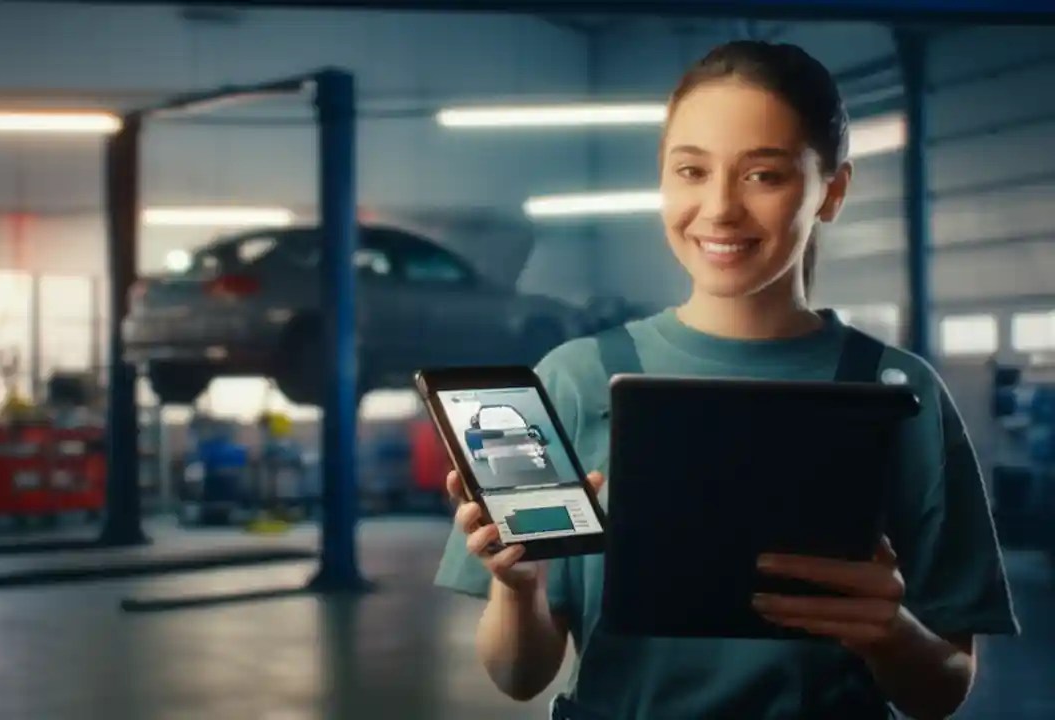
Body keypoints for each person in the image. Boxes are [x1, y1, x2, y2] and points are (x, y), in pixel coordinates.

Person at [434, 40, 1019, 720]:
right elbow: (518, 675)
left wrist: (891, 633)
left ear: (832, 191)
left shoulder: (898, 394)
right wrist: (519, 586)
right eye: (691, 171)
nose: (719, 208)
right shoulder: (573, 380)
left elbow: (943, 688)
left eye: (763, 176)